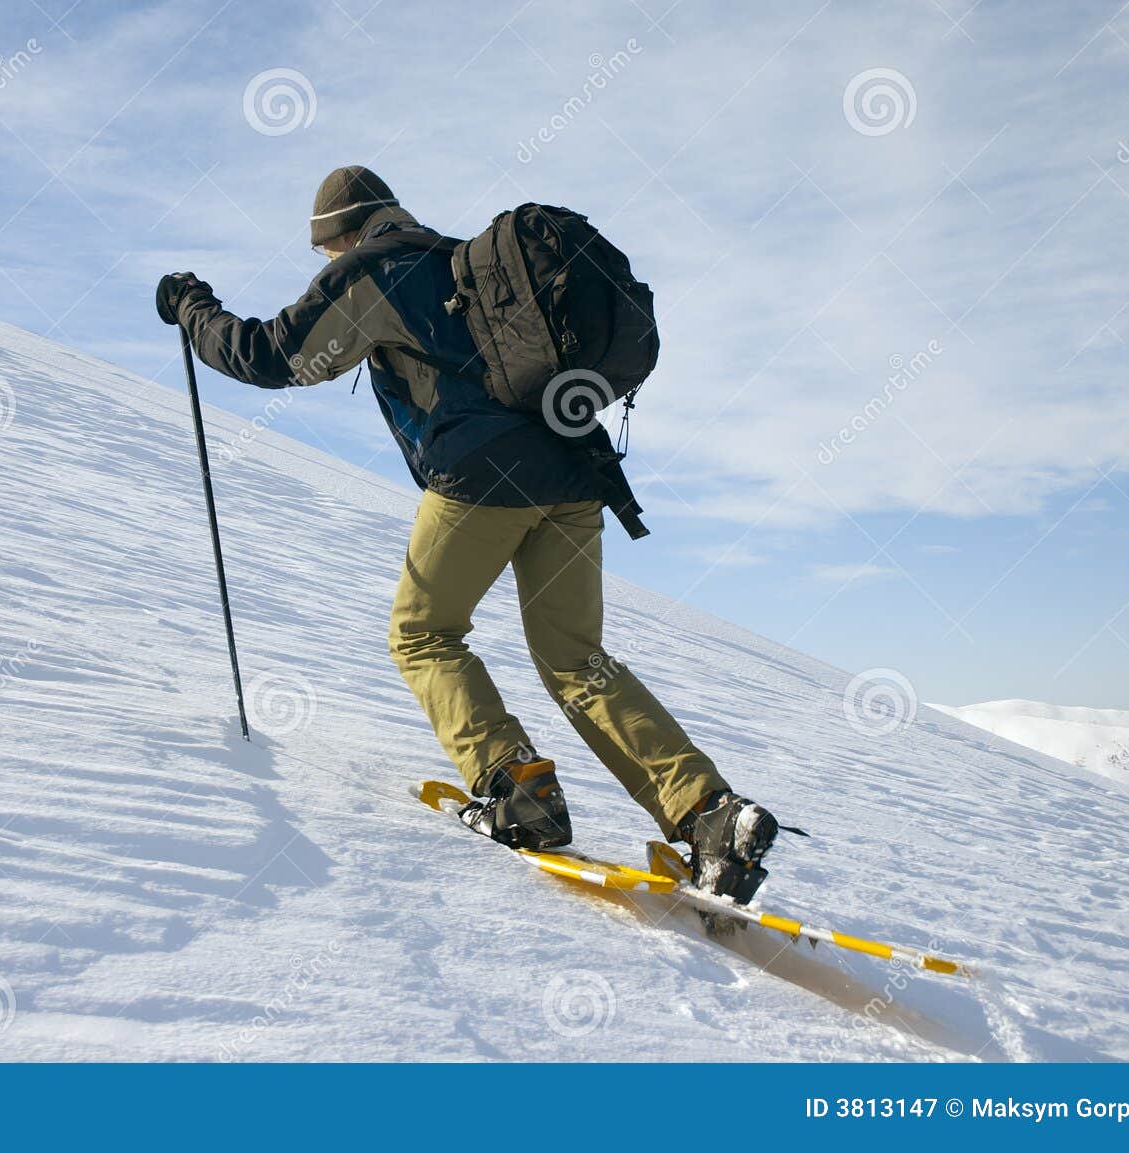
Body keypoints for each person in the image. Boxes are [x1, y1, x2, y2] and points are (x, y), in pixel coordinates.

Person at [156, 166, 778, 899]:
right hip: (574, 473)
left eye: (325, 250)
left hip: (482, 478)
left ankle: (518, 786)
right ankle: (709, 814)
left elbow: (272, 355)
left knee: (421, 632)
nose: (326, 263)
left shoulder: (377, 271)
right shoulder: (464, 262)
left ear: (342, 234)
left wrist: (191, 306)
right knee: (576, 658)